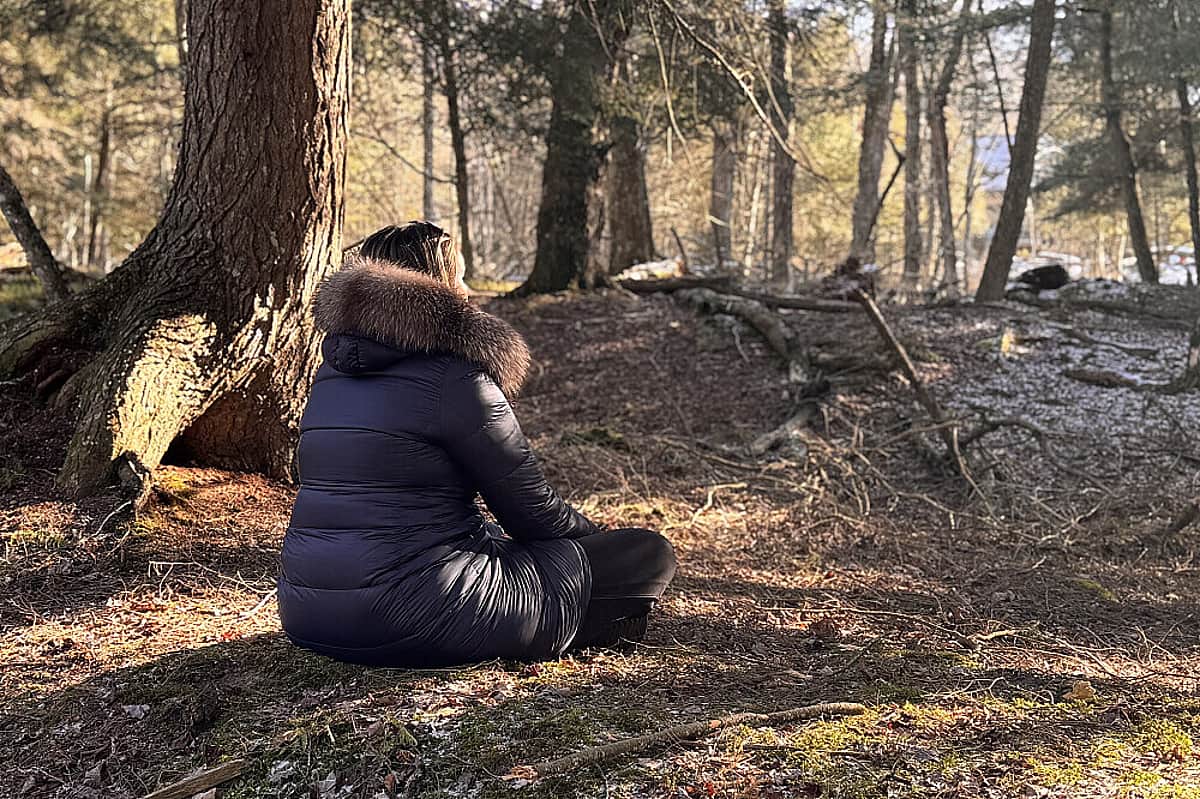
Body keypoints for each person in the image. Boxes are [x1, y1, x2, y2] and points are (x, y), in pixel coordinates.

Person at [277, 221, 676, 667]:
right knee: (647, 553)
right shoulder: (456, 378)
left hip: (306, 610)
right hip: (415, 615)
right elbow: (533, 513)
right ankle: (585, 624)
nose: (468, 292)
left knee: (491, 538)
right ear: (431, 289)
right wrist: (595, 540)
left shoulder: (330, 376)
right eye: (459, 277)